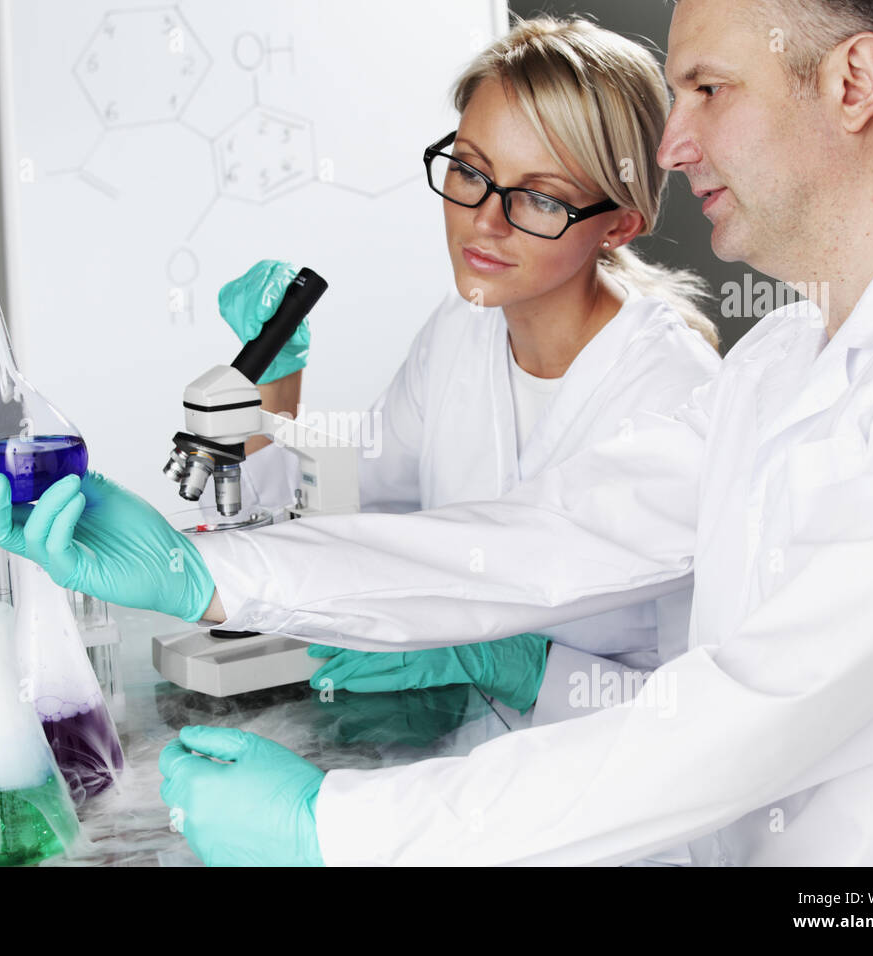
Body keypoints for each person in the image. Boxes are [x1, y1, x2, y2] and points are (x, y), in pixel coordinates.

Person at [0, 0, 873, 865]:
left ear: (852, 82)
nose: (675, 144)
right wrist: (211, 571)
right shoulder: (784, 355)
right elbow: (541, 534)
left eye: (709, 90)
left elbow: (747, 716)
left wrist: (339, 827)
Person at [213, 15, 720, 726]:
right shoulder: (465, 331)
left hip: (626, 826)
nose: (485, 220)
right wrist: (276, 374)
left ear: (619, 223)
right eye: (471, 170)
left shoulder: (678, 399)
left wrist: (518, 665)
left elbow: (710, 724)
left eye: (540, 197)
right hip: (463, 779)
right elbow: (335, 507)